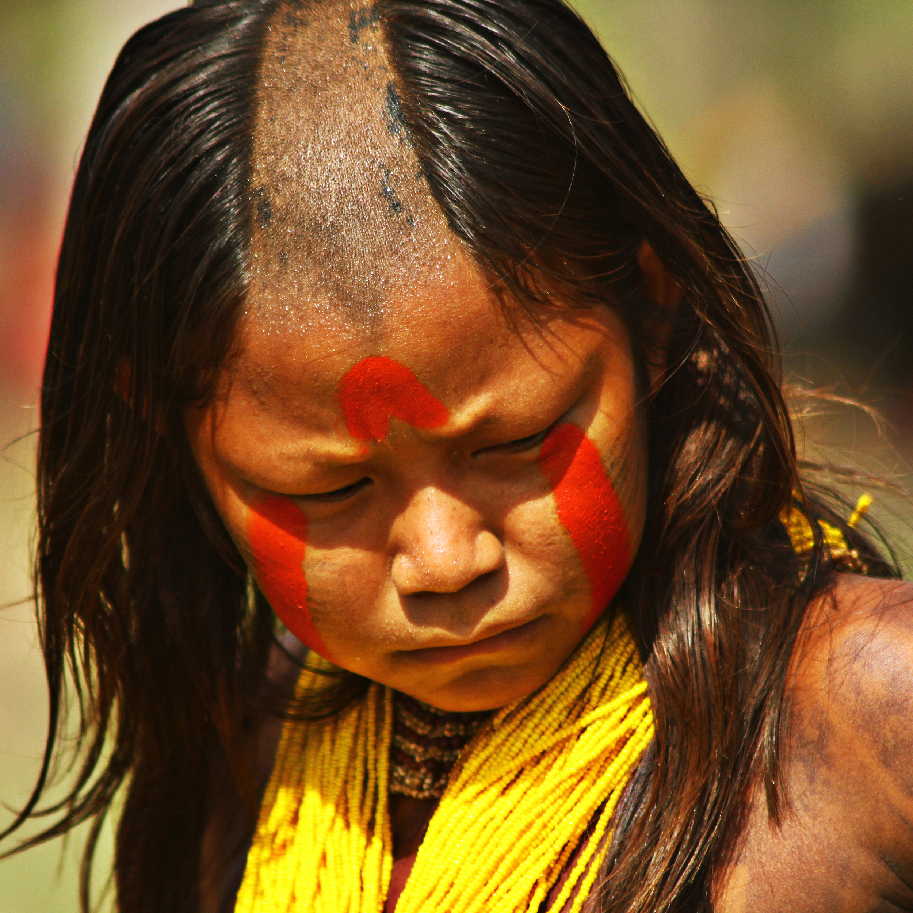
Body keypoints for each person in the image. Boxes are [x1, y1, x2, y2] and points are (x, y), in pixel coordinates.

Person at [4, 0, 913, 910]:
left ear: (652, 297)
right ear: (166, 424)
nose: (444, 560)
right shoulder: (252, 753)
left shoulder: (869, 711)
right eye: (331, 486)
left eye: (515, 441)